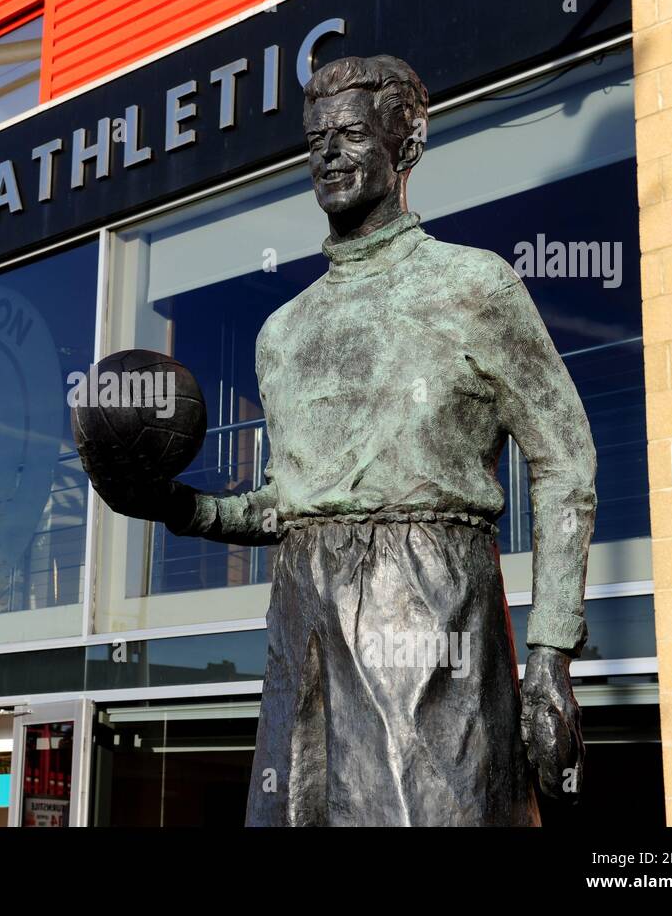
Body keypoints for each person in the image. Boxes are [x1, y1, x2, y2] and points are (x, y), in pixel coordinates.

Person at [81, 55, 595, 826]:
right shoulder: (282, 333)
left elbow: (564, 462)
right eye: (315, 138)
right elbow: (285, 506)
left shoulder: (475, 288)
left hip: (430, 610)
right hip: (303, 617)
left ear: (406, 143)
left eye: (351, 134)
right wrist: (173, 506)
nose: (327, 154)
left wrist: (551, 653)